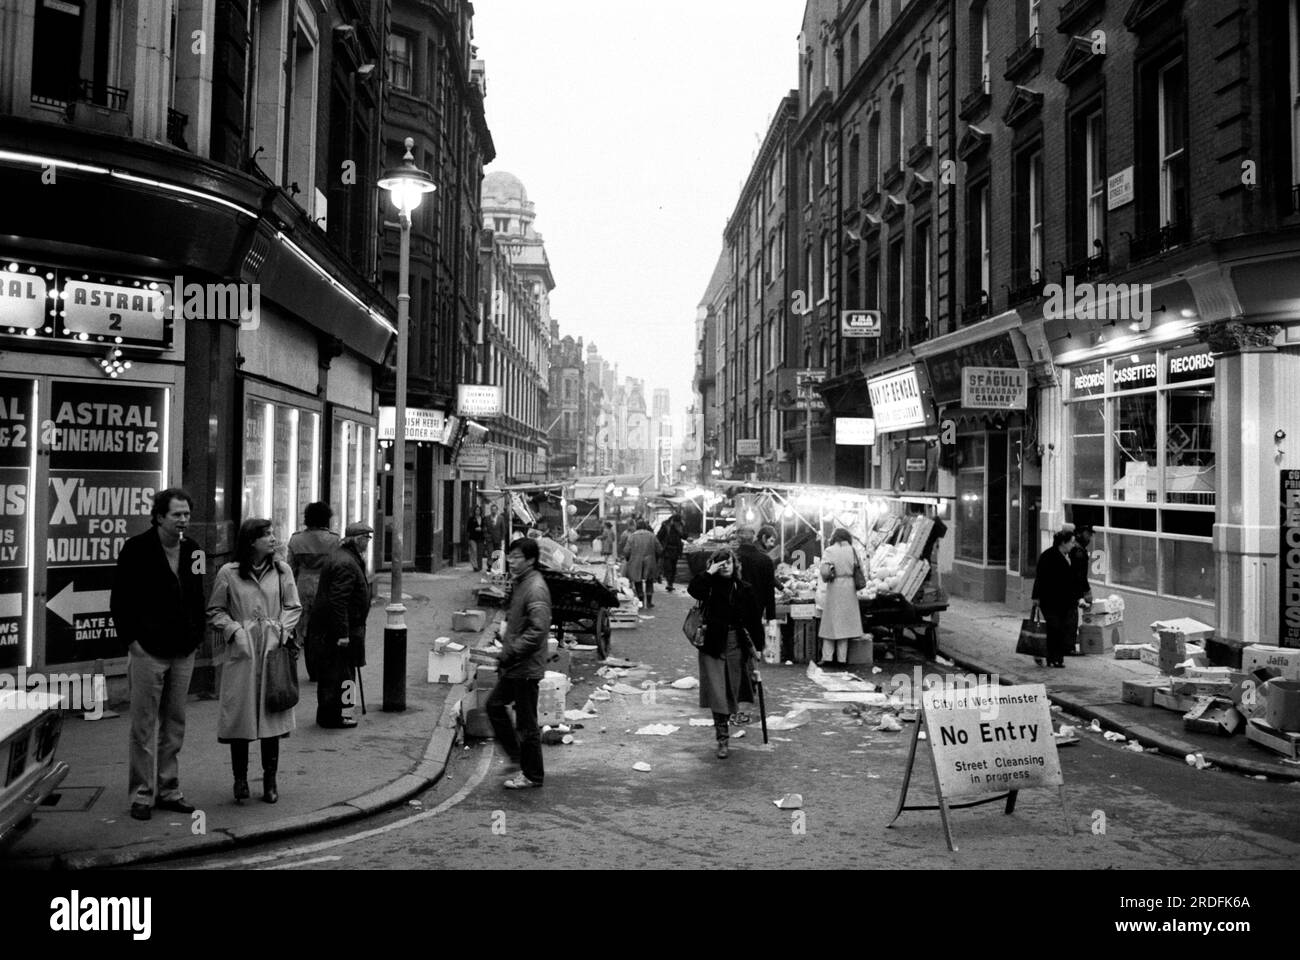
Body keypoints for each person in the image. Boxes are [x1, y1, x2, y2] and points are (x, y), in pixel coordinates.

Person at [111, 488, 207, 821]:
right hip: (147, 651)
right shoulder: (136, 549)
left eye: (187, 514)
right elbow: (121, 600)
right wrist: (133, 642)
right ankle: (141, 794)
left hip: (183, 651)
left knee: (175, 723)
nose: (184, 520)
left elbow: (198, 596)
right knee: (143, 726)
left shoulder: (195, 551)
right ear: (159, 516)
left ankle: (169, 789)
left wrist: (196, 637)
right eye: (177, 514)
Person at [207, 519, 302, 803]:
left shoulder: (281, 569)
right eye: (266, 535)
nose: (273, 539)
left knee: (271, 714)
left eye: (272, 533)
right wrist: (233, 630)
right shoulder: (229, 572)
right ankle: (240, 780)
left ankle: (270, 781)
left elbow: (293, 606)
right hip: (243, 651)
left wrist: (282, 631)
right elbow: (215, 610)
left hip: (272, 647)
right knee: (241, 718)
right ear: (251, 541)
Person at [687, 549, 764, 759]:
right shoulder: (708, 586)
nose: (725, 566)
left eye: (728, 562)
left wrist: (758, 646)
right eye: (720, 563)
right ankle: (722, 738)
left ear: (734, 564)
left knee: (732, 689)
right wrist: (709, 572)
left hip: (735, 644)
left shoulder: (743, 588)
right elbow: (693, 589)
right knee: (717, 692)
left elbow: (754, 619)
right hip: (712, 645)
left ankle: (728, 726)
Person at [488, 537, 552, 789]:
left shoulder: (535, 587)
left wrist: (511, 651)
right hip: (515, 664)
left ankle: (533, 774)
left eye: (517, 558)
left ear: (531, 560)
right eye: (510, 557)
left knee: (527, 723)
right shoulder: (521, 583)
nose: (512, 562)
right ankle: (516, 757)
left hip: (525, 666)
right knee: (494, 705)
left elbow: (538, 630)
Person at [311, 523, 373, 728]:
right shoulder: (346, 562)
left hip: (337, 628)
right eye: (367, 538)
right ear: (357, 539)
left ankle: (334, 713)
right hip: (340, 630)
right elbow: (339, 600)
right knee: (340, 674)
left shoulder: (343, 557)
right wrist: (343, 633)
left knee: (337, 673)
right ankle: (335, 715)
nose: (368, 542)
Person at [286, 502, 340, 682]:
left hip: (302, 584)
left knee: (305, 628)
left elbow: (290, 568)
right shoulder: (334, 540)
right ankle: (323, 666)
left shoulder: (296, 539)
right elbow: (337, 567)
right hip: (324, 585)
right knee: (323, 627)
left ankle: (310, 668)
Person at [1031, 529, 1091, 668]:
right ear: (1063, 543)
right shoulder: (1048, 556)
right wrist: (1036, 597)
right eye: (1071, 542)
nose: (1073, 544)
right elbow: (1040, 578)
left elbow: (1074, 580)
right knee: (1054, 627)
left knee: (1061, 629)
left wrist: (1079, 597)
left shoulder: (1070, 556)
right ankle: (1054, 658)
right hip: (1049, 599)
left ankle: (1053, 657)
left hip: (1065, 601)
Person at [818, 528, 866, 667]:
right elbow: (860, 568)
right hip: (849, 588)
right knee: (844, 626)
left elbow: (824, 570)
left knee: (830, 624)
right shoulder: (853, 550)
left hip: (834, 587)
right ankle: (841, 659)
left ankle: (827, 657)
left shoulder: (829, 550)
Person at [736, 526, 776, 622]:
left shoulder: (732, 558)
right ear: (753, 538)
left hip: (735, 609)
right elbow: (770, 591)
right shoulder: (766, 560)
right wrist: (771, 617)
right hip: (757, 608)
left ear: (737, 539)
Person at [624, 519, 662, 608]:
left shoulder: (632, 537)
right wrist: (656, 558)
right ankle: (649, 602)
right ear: (645, 526)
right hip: (650, 561)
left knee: (638, 581)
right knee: (649, 581)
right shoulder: (652, 536)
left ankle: (640, 602)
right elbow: (659, 549)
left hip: (635, 562)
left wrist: (628, 558)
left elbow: (626, 551)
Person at [657, 513, 685, 591]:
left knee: (673, 567)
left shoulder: (680, 526)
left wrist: (680, 531)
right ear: (673, 521)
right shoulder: (665, 525)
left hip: (676, 550)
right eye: (676, 522)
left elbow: (685, 536)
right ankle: (669, 583)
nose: (677, 524)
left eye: (678, 523)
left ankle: (670, 583)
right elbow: (659, 536)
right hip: (667, 550)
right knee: (668, 567)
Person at [466, 506, 484, 572]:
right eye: (476, 510)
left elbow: (484, 527)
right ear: (474, 511)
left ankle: (479, 566)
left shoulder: (483, 519)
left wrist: (481, 529)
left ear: (480, 511)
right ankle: (475, 566)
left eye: (478, 510)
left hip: (480, 538)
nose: (477, 511)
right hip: (473, 538)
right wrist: (474, 529)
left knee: (479, 552)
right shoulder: (471, 519)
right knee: (474, 551)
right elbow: (468, 529)